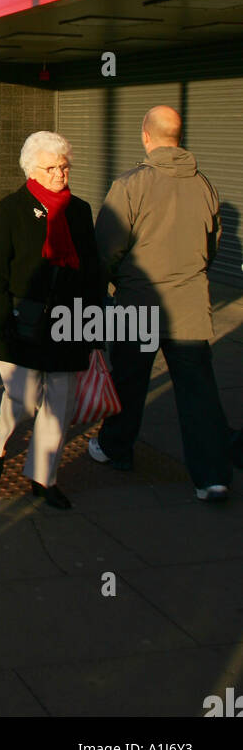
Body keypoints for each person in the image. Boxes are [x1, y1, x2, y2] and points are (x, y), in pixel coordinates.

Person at [89, 105, 232, 501]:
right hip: (189, 306)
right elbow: (210, 246)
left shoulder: (130, 184)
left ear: (145, 136)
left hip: (138, 304)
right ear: (178, 137)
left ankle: (117, 449)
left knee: (129, 381)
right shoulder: (204, 185)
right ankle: (211, 477)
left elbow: (107, 249)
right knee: (197, 390)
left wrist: (110, 288)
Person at [0, 131, 103, 510]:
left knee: (59, 403)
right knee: (24, 398)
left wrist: (95, 324)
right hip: (22, 320)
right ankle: (0, 444)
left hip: (69, 321)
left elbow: (93, 271)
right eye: (50, 168)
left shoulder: (79, 211)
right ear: (32, 170)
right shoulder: (10, 209)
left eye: (64, 167)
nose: (59, 174)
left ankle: (43, 477)